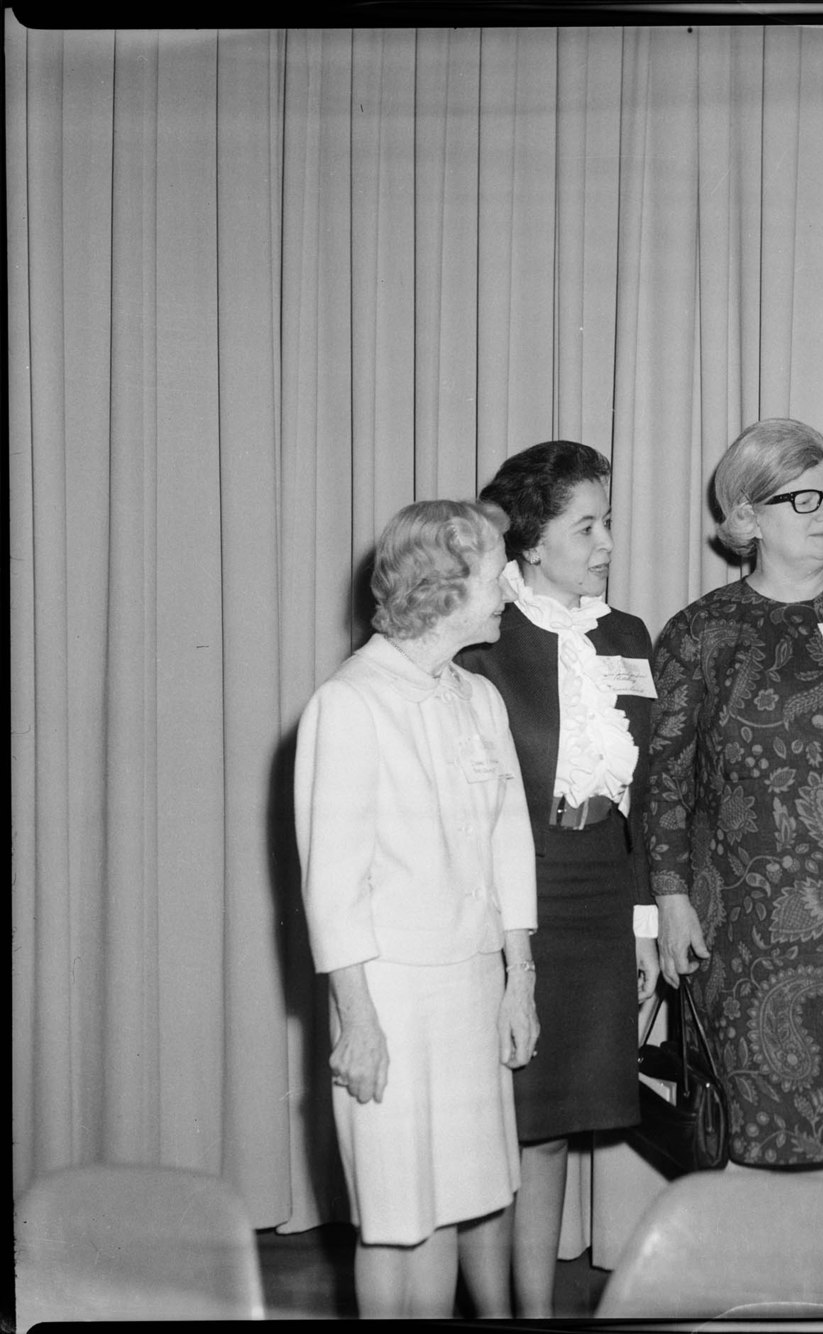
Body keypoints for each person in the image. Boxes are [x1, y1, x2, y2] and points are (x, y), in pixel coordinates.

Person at [646, 418, 823, 1173]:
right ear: (746, 516)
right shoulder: (702, 633)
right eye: (803, 500)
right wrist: (670, 901)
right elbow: (664, 780)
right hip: (741, 927)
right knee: (742, 1139)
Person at [294, 499, 537, 1319]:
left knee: (449, 1205)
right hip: (390, 996)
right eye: (496, 567)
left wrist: (519, 979)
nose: (509, 583)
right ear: (441, 585)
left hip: (470, 987)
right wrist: (356, 1022)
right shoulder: (351, 703)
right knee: (395, 1220)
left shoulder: (477, 696)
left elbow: (510, 847)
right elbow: (332, 886)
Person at [456, 441, 660, 1317]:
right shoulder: (483, 636)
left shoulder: (625, 635)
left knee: (546, 1133)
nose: (608, 542)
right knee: (491, 1126)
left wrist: (645, 926)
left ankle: (534, 1316)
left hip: (599, 891)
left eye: (607, 521)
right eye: (589, 525)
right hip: (510, 899)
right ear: (532, 542)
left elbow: (649, 793)